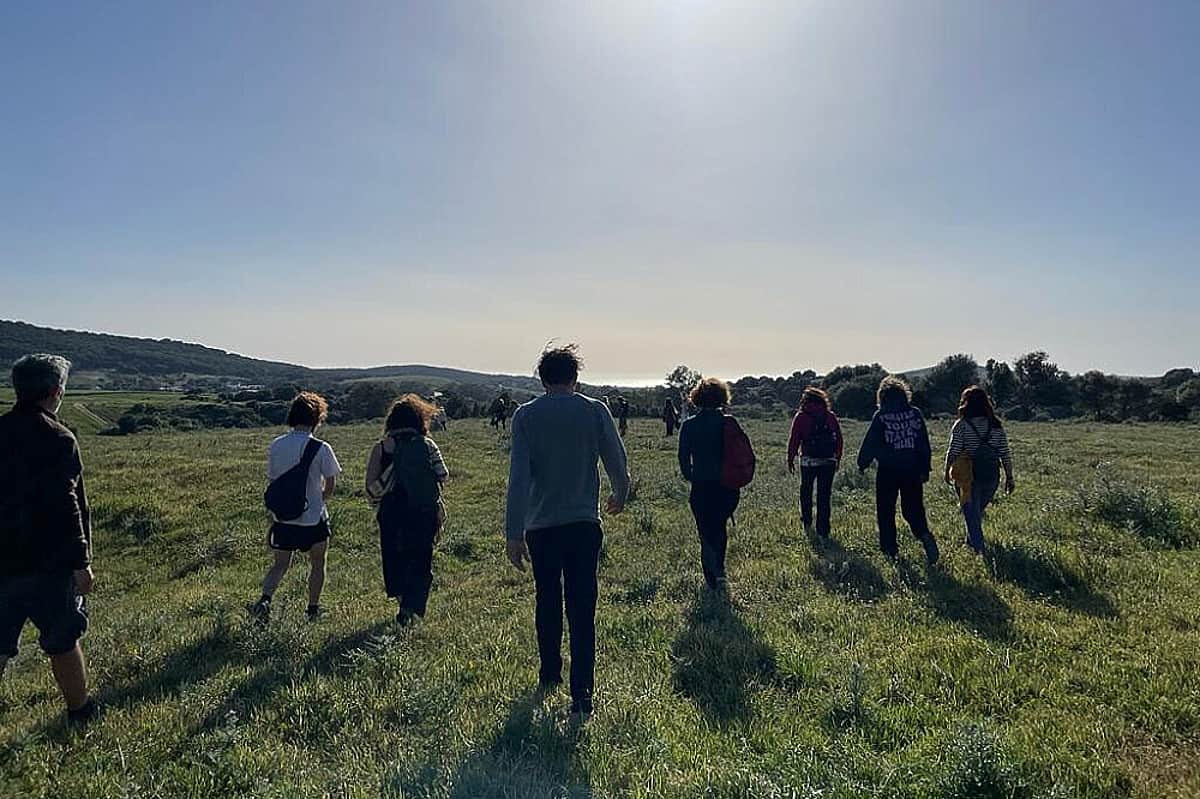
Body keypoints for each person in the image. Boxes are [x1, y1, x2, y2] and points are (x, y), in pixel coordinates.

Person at [504, 344, 629, 720]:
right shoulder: (594, 410)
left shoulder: (525, 416)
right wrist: (619, 494)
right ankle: (582, 695)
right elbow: (616, 461)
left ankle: (549, 673)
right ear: (575, 377)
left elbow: (519, 478)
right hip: (584, 524)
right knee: (582, 606)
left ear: (543, 379)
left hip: (541, 527)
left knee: (547, 599)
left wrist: (513, 531)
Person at [0, 354, 100, 724]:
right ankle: (80, 711)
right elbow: (66, 506)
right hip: (48, 563)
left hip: (3, 560)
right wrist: (81, 562)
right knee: (62, 640)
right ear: (56, 391)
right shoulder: (58, 438)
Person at [251, 392, 341, 621]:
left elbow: (273, 480)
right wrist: (319, 501)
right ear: (317, 418)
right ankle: (312, 609)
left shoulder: (277, 445)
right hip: (313, 518)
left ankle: (264, 600)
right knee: (318, 562)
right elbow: (330, 484)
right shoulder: (321, 448)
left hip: (283, 518)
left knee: (280, 564)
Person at [366, 395, 450, 625]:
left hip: (392, 510)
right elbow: (443, 474)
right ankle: (411, 609)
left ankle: (403, 601)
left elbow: (370, 487)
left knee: (395, 557)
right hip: (423, 509)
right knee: (421, 557)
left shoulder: (382, 447)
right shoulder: (427, 444)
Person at [856, 376, 940, 565]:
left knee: (885, 511)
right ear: (904, 395)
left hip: (888, 471)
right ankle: (924, 535)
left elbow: (870, 442)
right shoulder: (915, 413)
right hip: (912, 469)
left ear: (882, 396)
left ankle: (890, 550)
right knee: (913, 509)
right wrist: (925, 467)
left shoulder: (881, 416)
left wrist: (863, 463)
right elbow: (923, 442)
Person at [678, 377, 741, 590]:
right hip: (727, 486)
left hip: (702, 485)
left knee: (704, 531)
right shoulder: (729, 422)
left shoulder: (689, 426)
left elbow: (683, 459)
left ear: (697, 398)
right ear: (722, 398)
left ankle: (711, 577)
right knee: (719, 527)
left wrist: (691, 476)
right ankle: (720, 569)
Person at [943, 386, 1015, 554]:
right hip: (991, 476)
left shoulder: (961, 425)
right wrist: (1009, 477)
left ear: (965, 403)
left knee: (971, 514)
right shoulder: (996, 425)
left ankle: (979, 551)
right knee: (974, 513)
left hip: (967, 476)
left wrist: (946, 471)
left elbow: (953, 451)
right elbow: (1004, 453)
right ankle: (972, 543)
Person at [786, 386, 844, 538]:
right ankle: (823, 529)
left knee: (806, 491)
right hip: (828, 460)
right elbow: (839, 438)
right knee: (824, 495)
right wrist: (837, 457)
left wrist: (790, 458)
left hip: (808, 461)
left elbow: (794, 440)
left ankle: (806, 521)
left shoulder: (801, 416)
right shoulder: (829, 416)